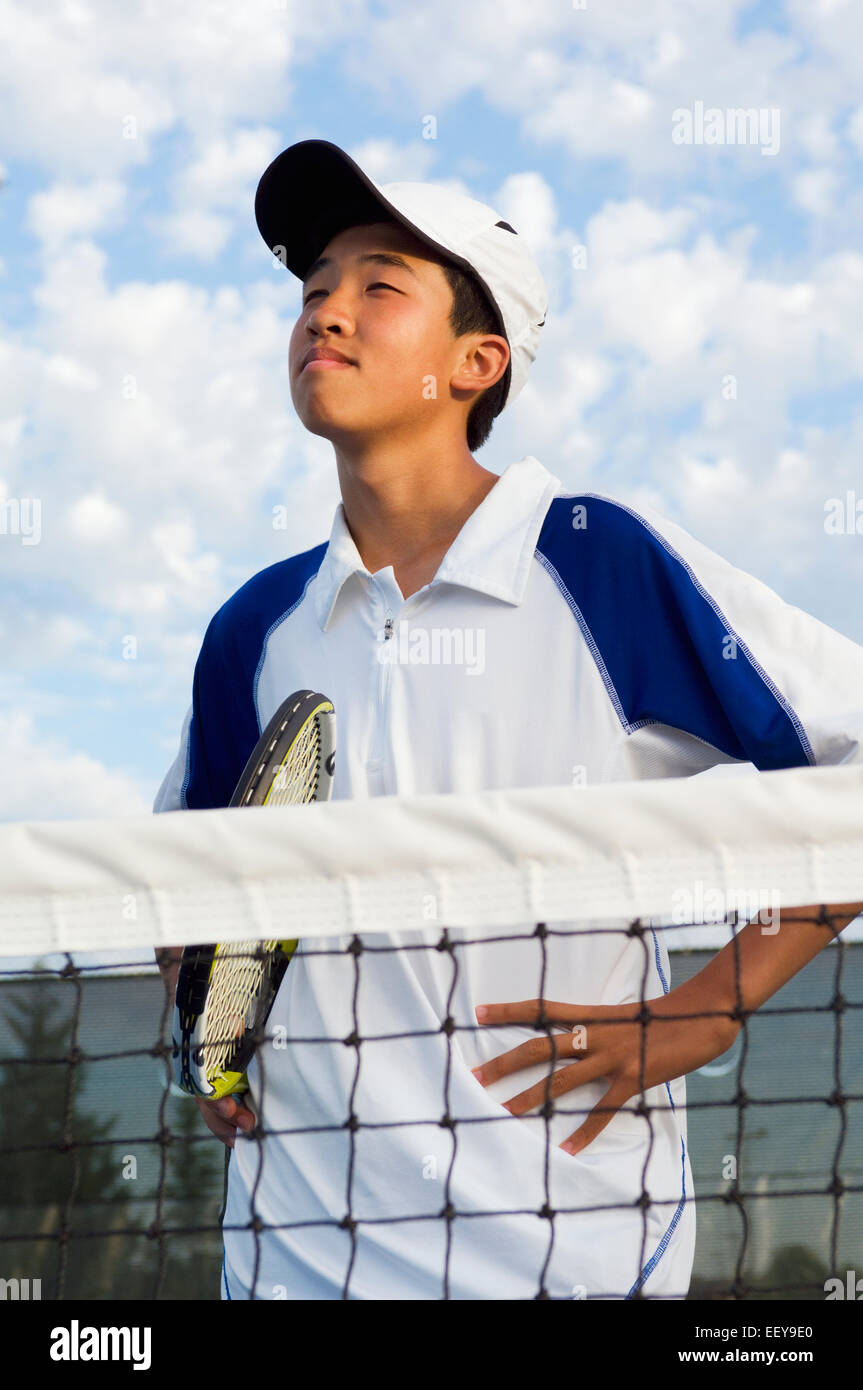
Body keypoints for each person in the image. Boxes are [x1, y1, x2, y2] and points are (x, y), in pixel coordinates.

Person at [154, 139, 863, 1300]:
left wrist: (706, 1009)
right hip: (291, 1259)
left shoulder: (602, 563)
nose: (326, 310)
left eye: (378, 285)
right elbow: (178, 875)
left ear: (476, 362)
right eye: (313, 287)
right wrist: (207, 1030)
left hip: (566, 1249)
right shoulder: (252, 627)